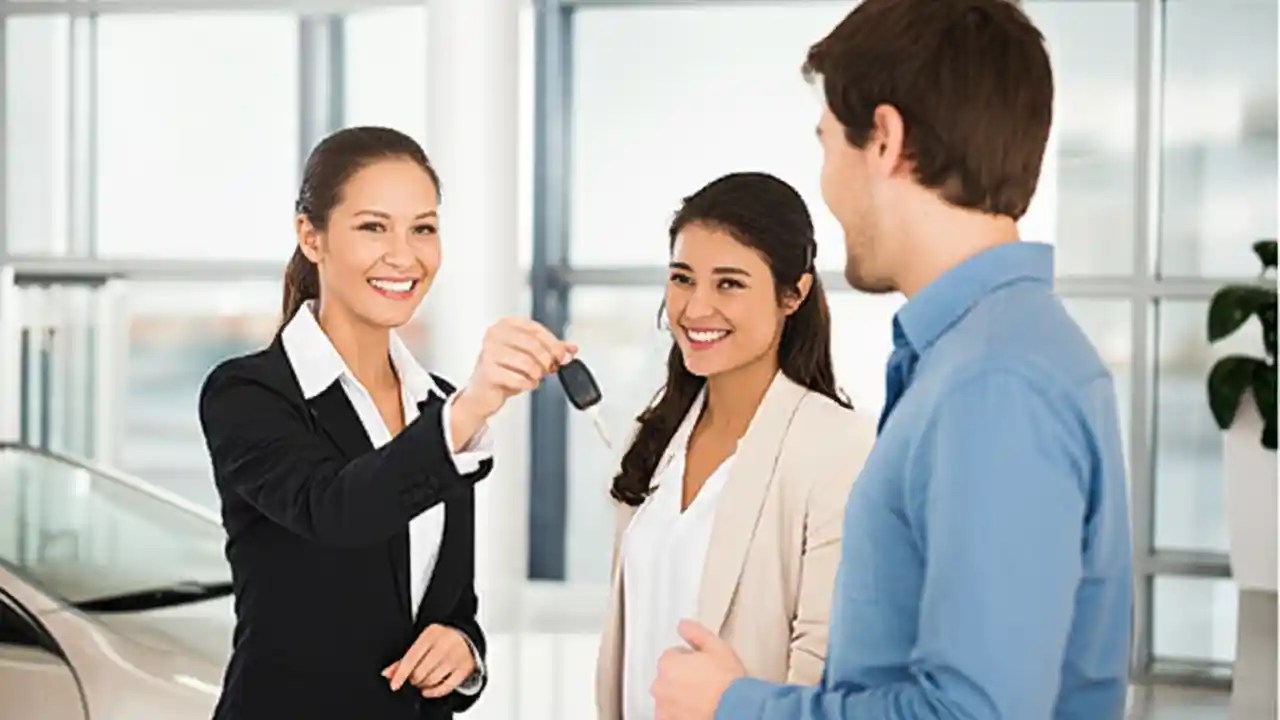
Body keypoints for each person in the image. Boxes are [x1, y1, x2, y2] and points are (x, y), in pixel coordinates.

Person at [650, 2, 1133, 720]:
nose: (826, 185)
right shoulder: (982, 357)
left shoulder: (994, 383)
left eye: (827, 145)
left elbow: (972, 714)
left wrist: (737, 706)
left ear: (884, 139)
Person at [199, 126, 575, 719]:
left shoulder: (435, 405)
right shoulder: (250, 394)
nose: (404, 255)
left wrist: (465, 652)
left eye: (422, 228)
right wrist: (472, 406)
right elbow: (336, 509)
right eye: (374, 227)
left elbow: (449, 605)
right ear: (311, 237)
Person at [596, 172, 877, 720]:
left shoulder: (838, 446)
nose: (695, 308)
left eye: (729, 284)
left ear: (793, 294)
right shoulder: (652, 438)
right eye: (682, 279)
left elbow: (823, 669)